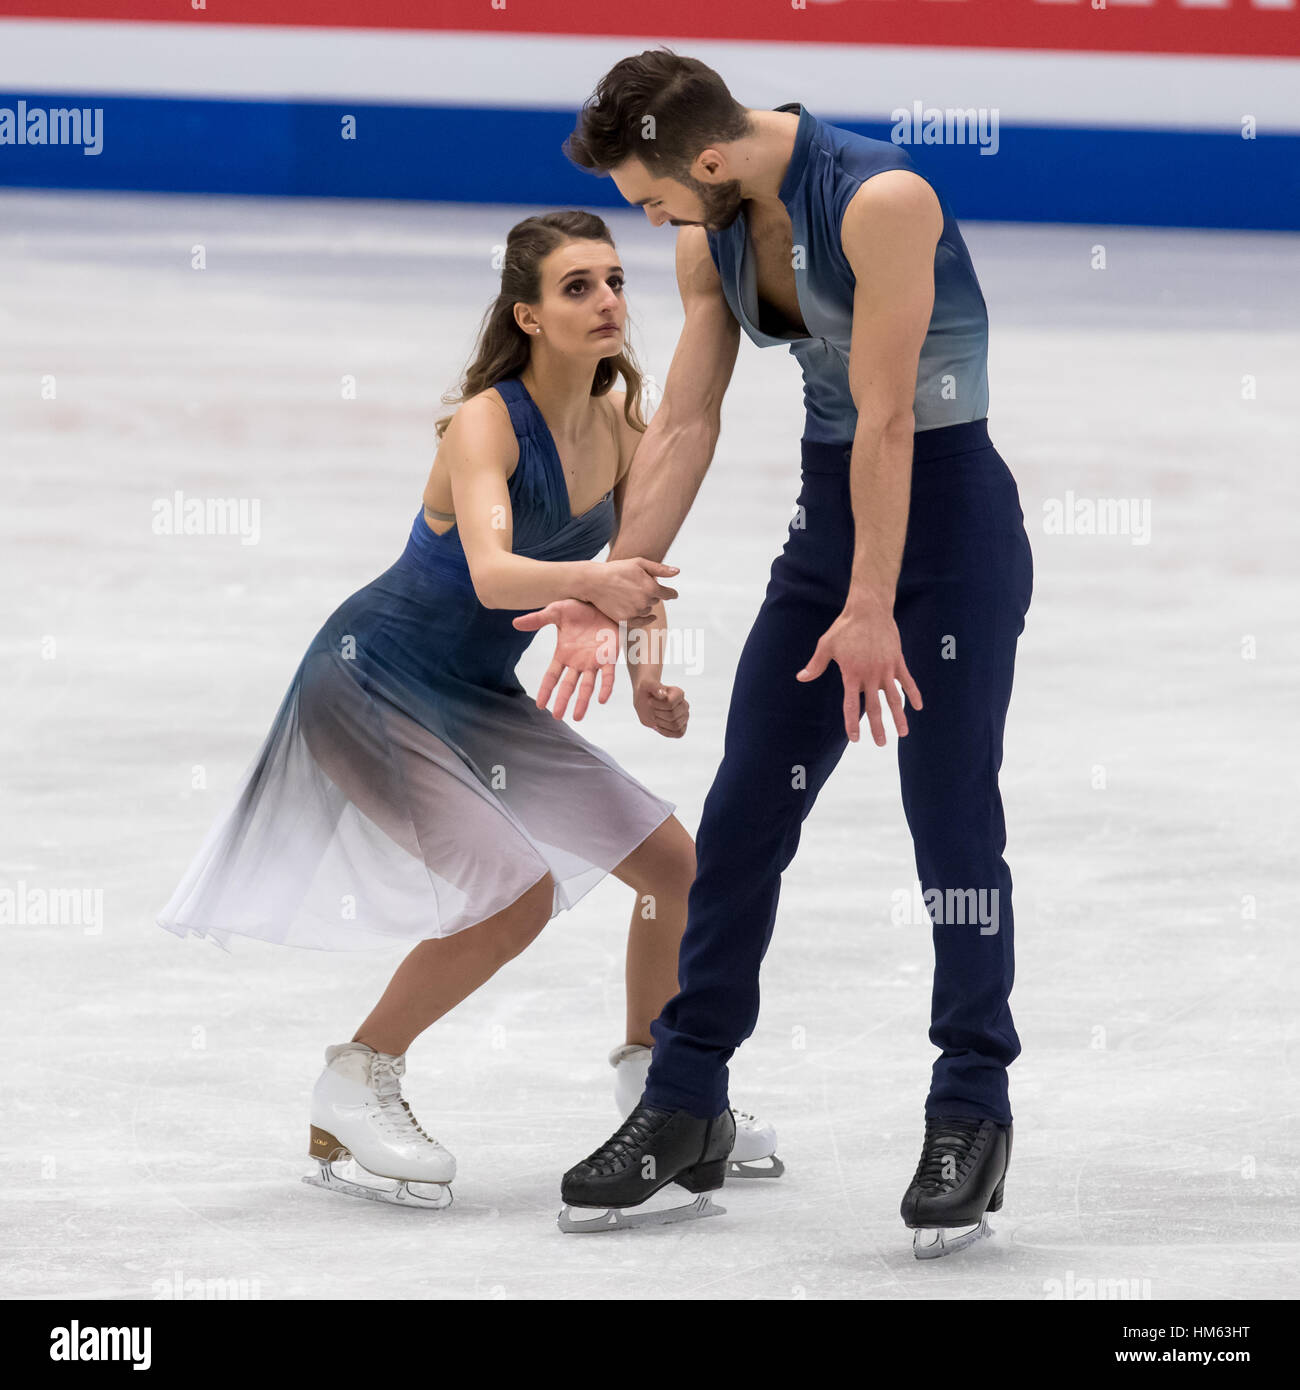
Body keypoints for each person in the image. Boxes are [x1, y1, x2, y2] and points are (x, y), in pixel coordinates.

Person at [155, 208, 779, 1209]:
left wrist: (644, 669)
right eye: (577, 287)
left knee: (672, 866)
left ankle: (661, 1084)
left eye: (616, 279)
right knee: (510, 887)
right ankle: (357, 1073)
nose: (608, 301)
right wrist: (596, 588)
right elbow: (494, 575)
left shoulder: (620, 423)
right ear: (526, 314)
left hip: (474, 693)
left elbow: (631, 574)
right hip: (368, 681)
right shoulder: (484, 421)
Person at [524, 53, 1033, 1256]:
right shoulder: (712, 228)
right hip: (831, 514)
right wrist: (614, 581)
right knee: (747, 808)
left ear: (705, 160)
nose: (647, 225)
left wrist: (873, 602)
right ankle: (684, 1099)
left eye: (648, 199)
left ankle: (971, 1108)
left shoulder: (880, 200)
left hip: (946, 522)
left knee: (950, 819)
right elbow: (690, 414)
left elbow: (893, 410)